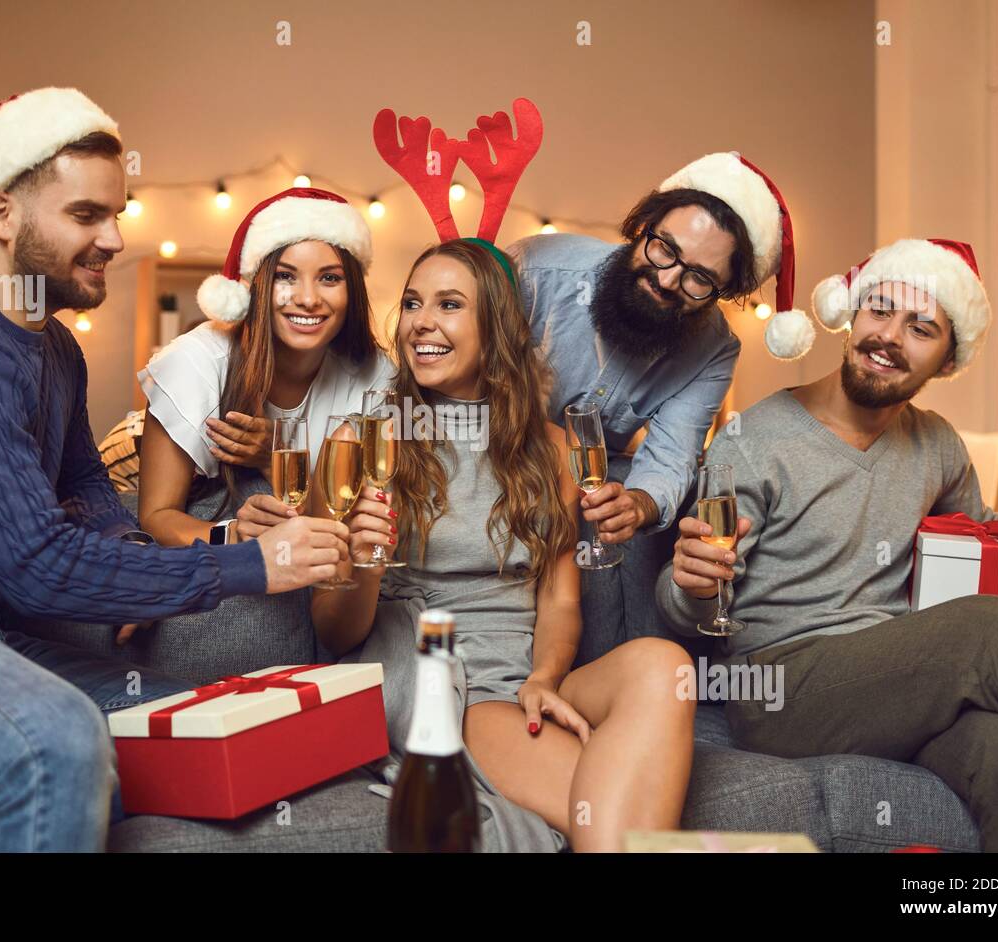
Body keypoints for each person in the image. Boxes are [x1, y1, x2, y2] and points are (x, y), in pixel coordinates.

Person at [0, 88, 348, 852]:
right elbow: (34, 563)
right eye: (86, 216)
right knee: (58, 740)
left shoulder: (53, 347)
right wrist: (249, 565)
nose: (115, 238)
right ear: (2, 215)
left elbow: (84, 488)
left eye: (118, 213)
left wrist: (137, 562)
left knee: (185, 727)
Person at [655, 237, 998, 851]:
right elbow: (693, 598)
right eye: (879, 309)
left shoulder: (936, 444)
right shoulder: (757, 438)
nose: (889, 335)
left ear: (945, 359)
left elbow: (988, 541)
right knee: (988, 630)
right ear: (852, 317)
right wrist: (689, 584)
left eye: (921, 327)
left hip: (901, 688)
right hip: (780, 686)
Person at [312, 240, 697, 852]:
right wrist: (362, 561)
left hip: (525, 675)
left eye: (449, 304)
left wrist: (544, 676)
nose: (422, 322)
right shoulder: (360, 443)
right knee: (621, 822)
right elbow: (334, 636)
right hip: (448, 680)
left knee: (665, 666)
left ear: (495, 330)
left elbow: (560, 601)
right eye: (413, 303)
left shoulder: (552, 450)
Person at [507, 151, 810, 650]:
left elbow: (671, 456)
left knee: (620, 495)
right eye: (664, 249)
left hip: (583, 493)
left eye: (699, 279)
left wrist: (639, 504)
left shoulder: (714, 349)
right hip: (496, 464)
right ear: (643, 226)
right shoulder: (537, 271)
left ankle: (624, 680)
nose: (668, 280)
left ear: (722, 290)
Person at [135, 187, 393, 551]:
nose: (307, 298)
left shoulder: (376, 376)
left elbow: (355, 517)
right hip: (220, 554)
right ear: (256, 285)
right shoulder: (195, 362)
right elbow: (157, 515)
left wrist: (278, 452)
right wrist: (236, 535)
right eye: (285, 277)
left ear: (352, 290)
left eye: (330, 278)